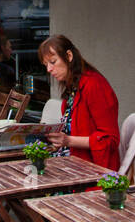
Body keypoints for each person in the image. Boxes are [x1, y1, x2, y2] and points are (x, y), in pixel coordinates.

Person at [39, 34, 120, 169]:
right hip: (73, 163)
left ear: (69, 56)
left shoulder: (94, 85)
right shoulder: (73, 87)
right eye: (46, 65)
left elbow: (110, 140)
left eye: (53, 62)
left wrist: (68, 140)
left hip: (92, 170)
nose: (49, 69)